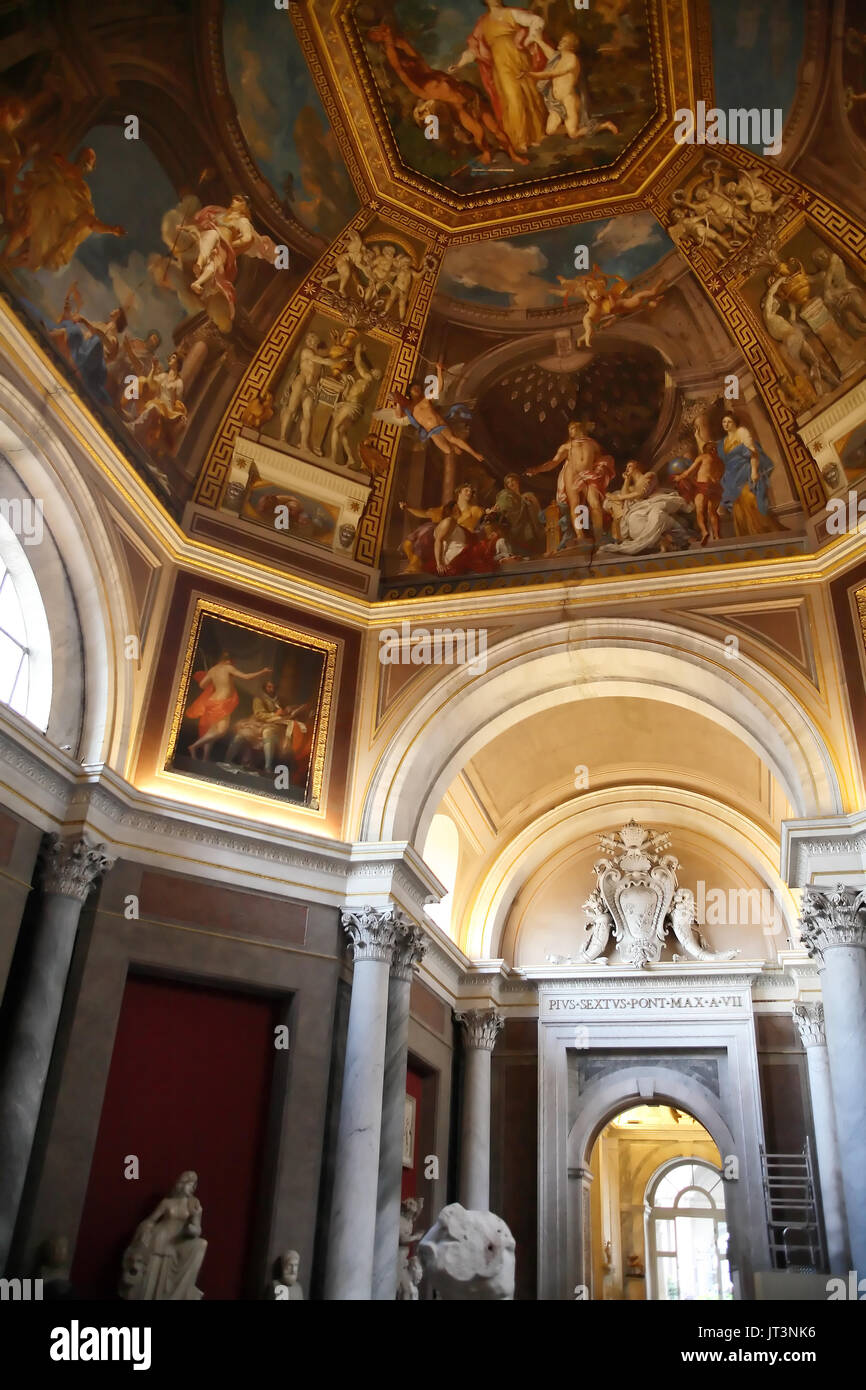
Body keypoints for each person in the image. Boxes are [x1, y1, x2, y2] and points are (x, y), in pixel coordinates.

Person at [449, 0, 548, 155]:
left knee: (530, 93)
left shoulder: (511, 13)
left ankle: (535, 134)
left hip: (519, 57)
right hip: (501, 63)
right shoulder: (483, 23)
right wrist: (459, 64)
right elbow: (473, 50)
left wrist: (530, 39)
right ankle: (519, 139)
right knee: (512, 97)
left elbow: (537, 21)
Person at [119, 1172, 207, 1301]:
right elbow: (151, 1220)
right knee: (153, 1275)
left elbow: (197, 1229)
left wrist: (193, 1225)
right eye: (188, 1183)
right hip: (160, 1239)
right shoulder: (167, 1202)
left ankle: (178, 1294)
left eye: (193, 1184)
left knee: (201, 1244)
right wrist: (146, 1230)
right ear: (180, 1184)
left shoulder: (194, 1205)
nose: (190, 1187)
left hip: (178, 1242)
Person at [526, 420, 615, 541]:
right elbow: (553, 462)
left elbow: (599, 459)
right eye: (569, 429)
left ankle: (598, 535)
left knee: (595, 504)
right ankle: (580, 536)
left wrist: (601, 469)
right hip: (572, 475)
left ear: (579, 428)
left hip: (588, 474)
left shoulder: (593, 443)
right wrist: (537, 469)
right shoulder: (567, 446)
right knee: (575, 505)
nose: (570, 431)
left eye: (572, 428)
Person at [185, 651, 273, 760]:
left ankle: (205, 758)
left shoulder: (213, 670)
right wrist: (262, 671)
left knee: (212, 731)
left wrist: (215, 683)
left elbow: (202, 685)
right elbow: (247, 677)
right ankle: (194, 746)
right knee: (221, 731)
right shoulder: (227, 668)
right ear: (228, 661)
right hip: (222, 703)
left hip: (212, 701)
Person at [717, 412, 785, 537]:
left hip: (746, 471)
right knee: (738, 505)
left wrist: (754, 471)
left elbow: (753, 452)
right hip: (733, 477)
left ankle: (764, 531)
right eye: (724, 422)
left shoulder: (742, 432)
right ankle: (748, 534)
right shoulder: (724, 442)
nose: (726, 424)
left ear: (735, 422)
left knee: (751, 499)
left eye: (729, 421)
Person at [673, 437, 724, 545]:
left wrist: (680, 477)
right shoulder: (720, 462)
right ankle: (717, 535)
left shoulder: (703, 457)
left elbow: (688, 472)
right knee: (713, 512)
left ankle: (705, 532)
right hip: (715, 487)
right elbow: (719, 476)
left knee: (700, 511)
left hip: (703, 486)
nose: (714, 450)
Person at [493, 472, 544, 554]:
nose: (511, 483)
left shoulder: (528, 495)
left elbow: (537, 510)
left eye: (512, 481)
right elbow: (501, 508)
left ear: (517, 482)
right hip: (516, 528)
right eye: (508, 483)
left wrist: (529, 503)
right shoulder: (507, 498)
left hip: (530, 527)